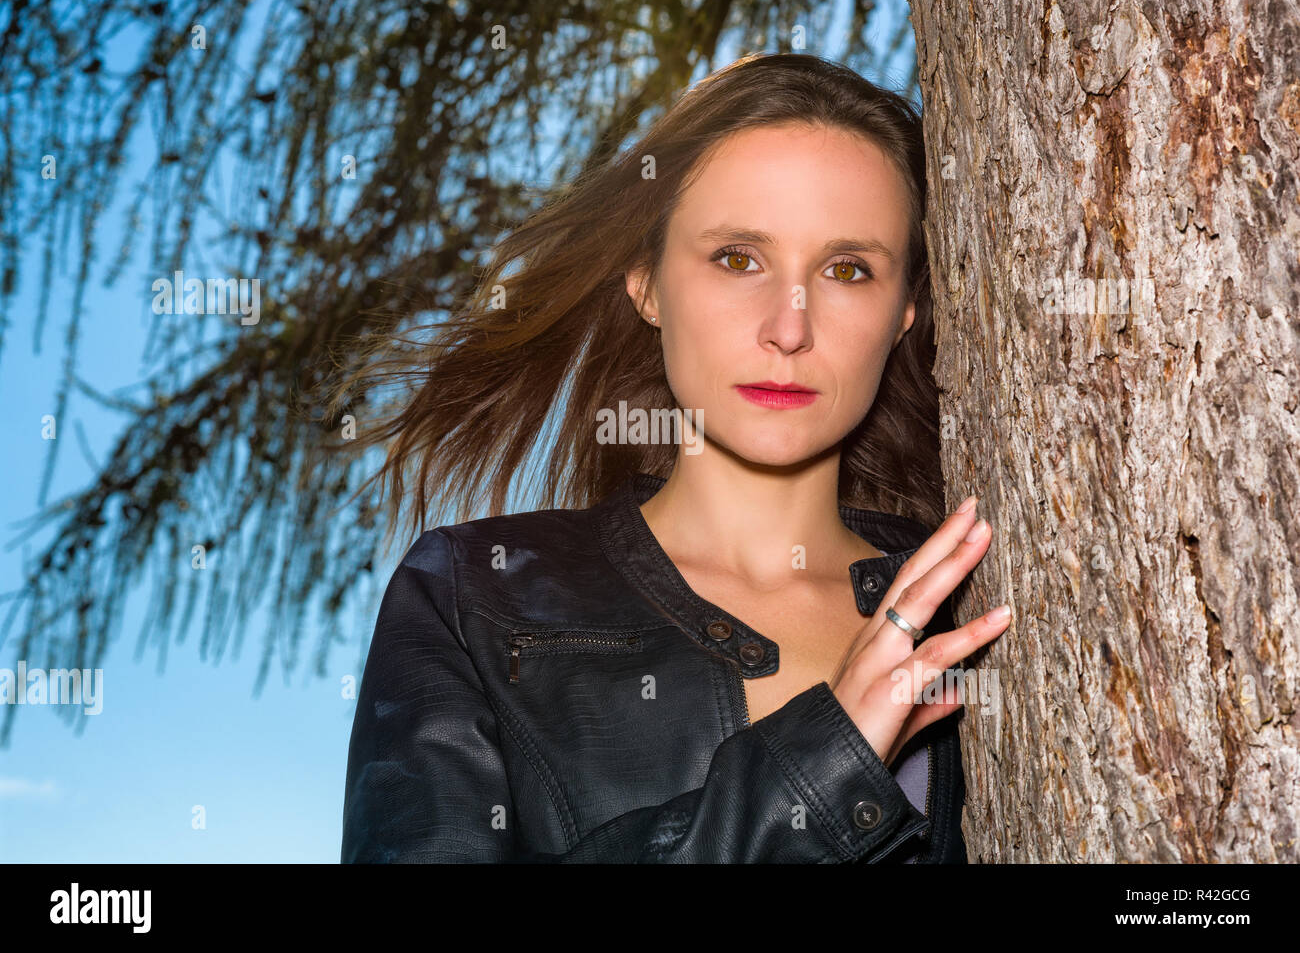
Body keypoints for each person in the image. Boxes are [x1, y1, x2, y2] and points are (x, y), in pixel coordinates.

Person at [337, 52, 1010, 863]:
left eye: (846, 269)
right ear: (646, 282)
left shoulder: (987, 605)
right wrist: (822, 767)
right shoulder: (474, 594)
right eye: (737, 258)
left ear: (904, 310)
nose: (788, 327)